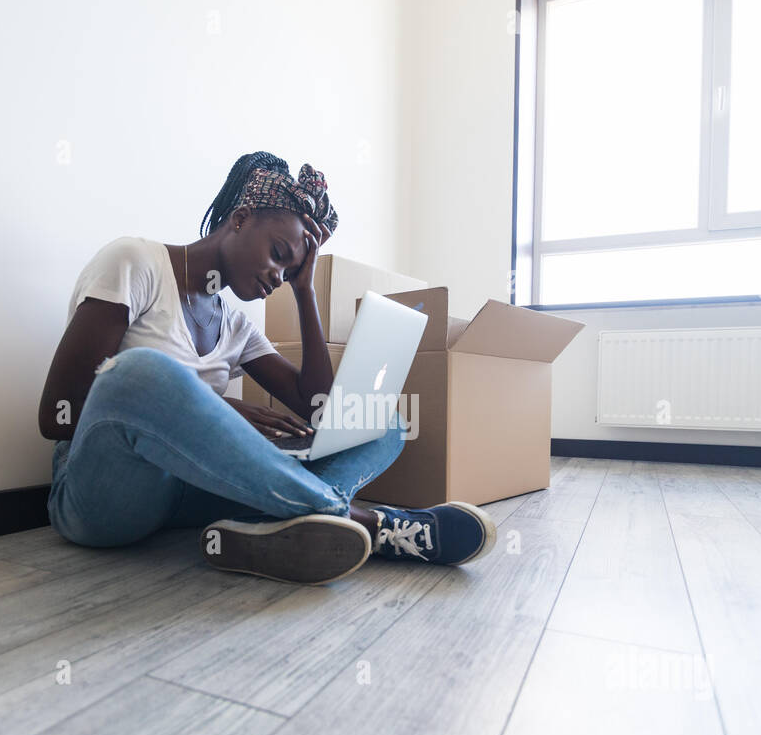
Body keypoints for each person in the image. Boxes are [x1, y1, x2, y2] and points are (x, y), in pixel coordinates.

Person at [37, 151, 495, 584]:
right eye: (278, 254)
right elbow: (58, 414)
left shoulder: (235, 325)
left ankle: (267, 530)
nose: (278, 276)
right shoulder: (135, 263)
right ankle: (371, 525)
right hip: (106, 498)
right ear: (239, 219)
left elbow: (320, 410)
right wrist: (223, 412)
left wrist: (305, 292)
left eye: (290, 270)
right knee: (138, 372)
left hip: (193, 495)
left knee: (380, 421)